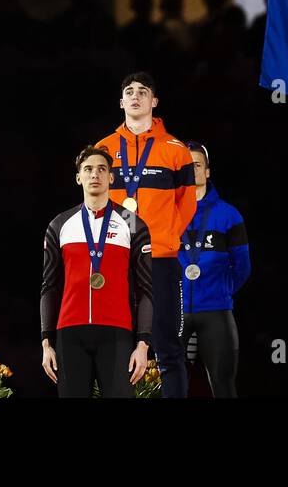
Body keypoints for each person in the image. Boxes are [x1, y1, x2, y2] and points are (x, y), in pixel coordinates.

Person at [95, 73, 196, 398]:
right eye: (129, 92)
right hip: (117, 259)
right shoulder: (104, 149)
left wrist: (164, 237)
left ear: (154, 101)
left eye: (143, 91)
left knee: (168, 348)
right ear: (121, 102)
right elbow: (95, 200)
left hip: (162, 260)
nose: (135, 96)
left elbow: (188, 203)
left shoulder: (176, 150)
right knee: (115, 345)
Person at [41, 145, 152, 397]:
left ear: (111, 177)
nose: (95, 175)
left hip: (117, 335)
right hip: (69, 335)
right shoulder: (60, 224)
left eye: (102, 169)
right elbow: (49, 286)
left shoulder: (133, 223)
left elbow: (147, 289)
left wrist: (143, 344)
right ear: (78, 177)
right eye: (88, 169)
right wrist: (46, 342)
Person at [179, 142, 249, 398]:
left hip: (216, 311)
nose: (192, 170)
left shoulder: (228, 215)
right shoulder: (166, 213)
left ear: (207, 171)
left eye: (197, 165)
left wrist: (218, 292)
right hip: (177, 313)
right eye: (187, 166)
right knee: (168, 386)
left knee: (223, 386)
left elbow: (242, 268)